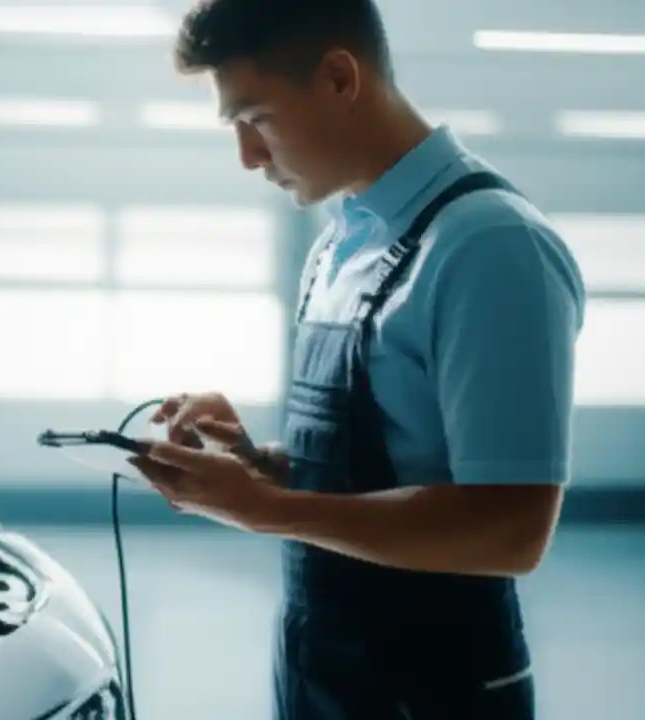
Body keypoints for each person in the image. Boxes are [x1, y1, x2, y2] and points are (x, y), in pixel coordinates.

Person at [127, 1, 586, 718]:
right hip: (322, 673)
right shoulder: (341, 242)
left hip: (435, 691)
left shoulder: (489, 245)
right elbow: (385, 467)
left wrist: (266, 510)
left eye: (257, 119)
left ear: (340, 78)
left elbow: (513, 527)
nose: (247, 157)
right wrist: (258, 463)